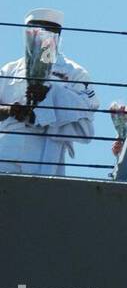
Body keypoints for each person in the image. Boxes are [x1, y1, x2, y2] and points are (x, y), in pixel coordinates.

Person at [0, 9, 97, 176]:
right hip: (6, 148)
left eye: (48, 32)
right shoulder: (9, 70)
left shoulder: (75, 73)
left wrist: (51, 96)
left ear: (58, 35)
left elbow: (85, 124)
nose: (41, 37)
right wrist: (10, 110)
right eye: (35, 31)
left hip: (45, 152)